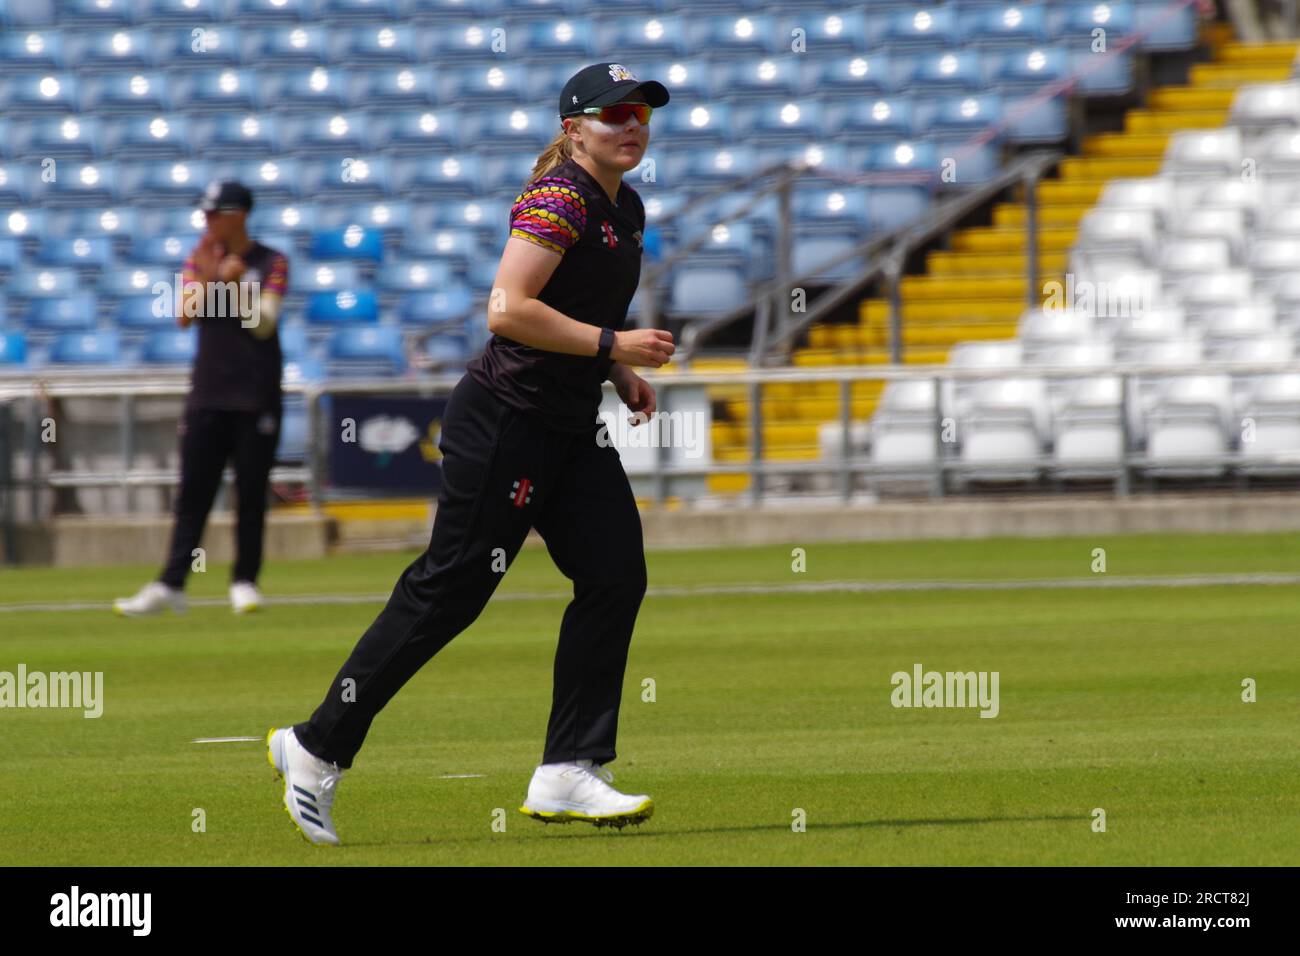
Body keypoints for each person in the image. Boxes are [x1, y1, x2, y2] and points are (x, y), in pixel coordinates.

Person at [266, 62, 675, 844]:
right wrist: (613, 343)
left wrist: (613, 368)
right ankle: (315, 747)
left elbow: (569, 308)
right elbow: (508, 309)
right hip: (505, 424)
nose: (632, 124)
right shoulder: (559, 199)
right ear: (573, 128)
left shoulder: (628, 207)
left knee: (616, 572)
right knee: (449, 592)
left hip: (565, 423)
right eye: (613, 112)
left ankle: (569, 769)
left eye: (642, 113)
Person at [114, 180, 290, 616]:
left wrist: (239, 288)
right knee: (193, 492)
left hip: (256, 394)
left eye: (216, 213)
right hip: (208, 392)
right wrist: (217, 280)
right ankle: (172, 583)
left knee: (250, 493)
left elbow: (265, 323)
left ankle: (245, 581)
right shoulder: (200, 257)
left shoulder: (272, 261)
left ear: (238, 215)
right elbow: (184, 314)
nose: (208, 222)